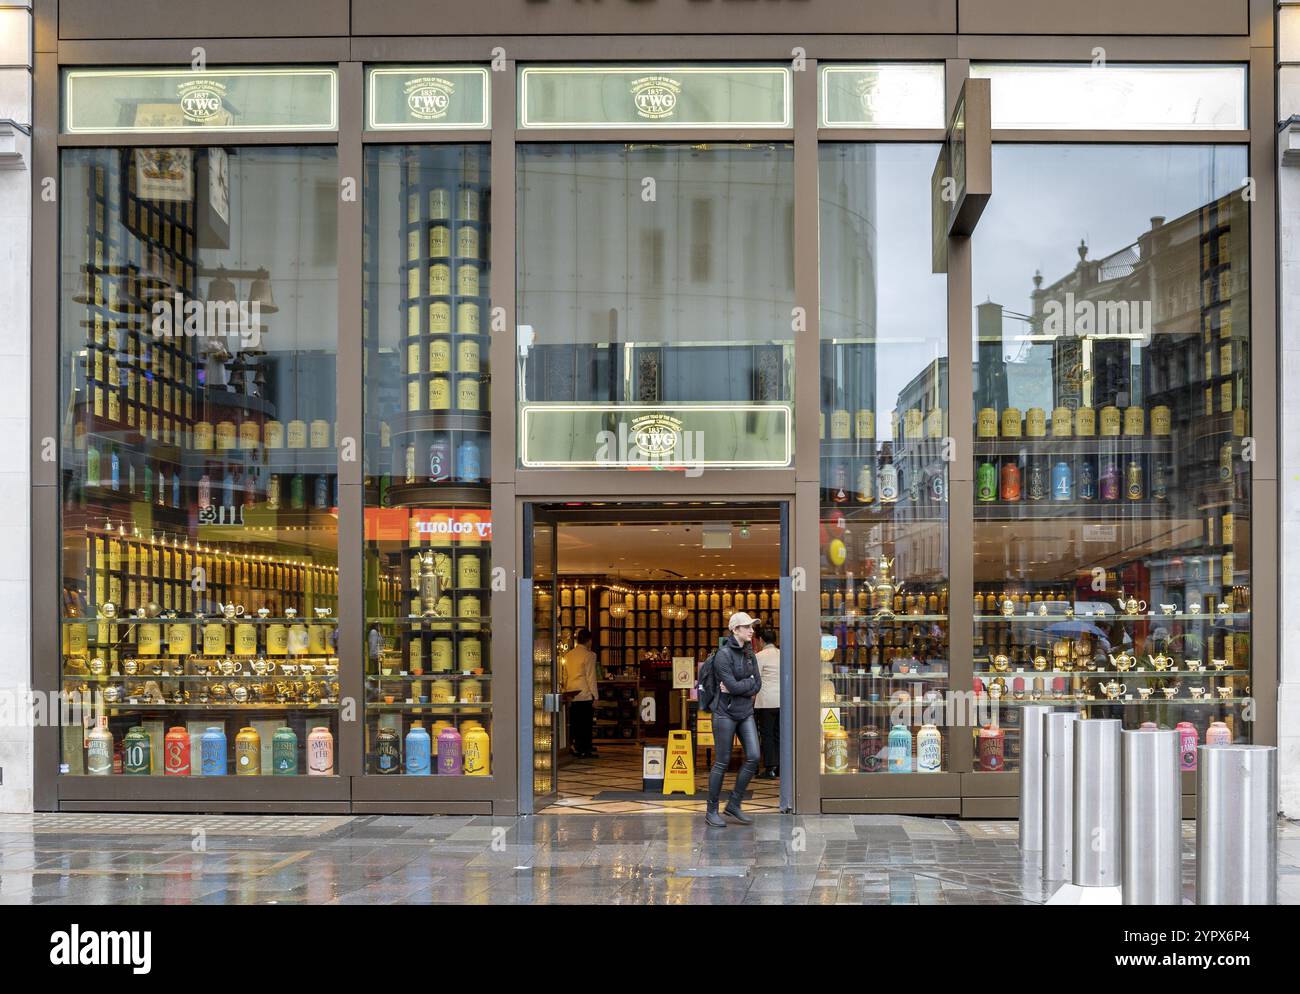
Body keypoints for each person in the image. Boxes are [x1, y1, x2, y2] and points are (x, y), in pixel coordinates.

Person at [705, 612, 763, 828]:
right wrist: (744, 685)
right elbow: (741, 685)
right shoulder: (723, 655)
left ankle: (734, 804)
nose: (752, 630)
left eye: (752, 627)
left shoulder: (751, 654)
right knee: (722, 762)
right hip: (724, 713)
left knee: (754, 756)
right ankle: (711, 810)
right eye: (747, 626)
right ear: (735, 630)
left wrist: (741, 686)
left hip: (745, 711)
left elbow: (757, 684)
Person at [561, 628, 599, 758]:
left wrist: (566, 691)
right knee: (586, 723)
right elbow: (591, 677)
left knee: (576, 722)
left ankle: (577, 746)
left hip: (572, 692)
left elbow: (565, 676)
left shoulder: (568, 655)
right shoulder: (590, 655)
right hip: (585, 692)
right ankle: (585, 748)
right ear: (589, 641)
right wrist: (595, 696)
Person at [751, 622, 781, 779]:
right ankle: (781, 766)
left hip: (766, 702)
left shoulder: (759, 657)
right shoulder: (782, 654)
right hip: (782, 701)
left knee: (767, 734)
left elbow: (755, 679)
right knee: (779, 734)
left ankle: (770, 768)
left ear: (761, 640)